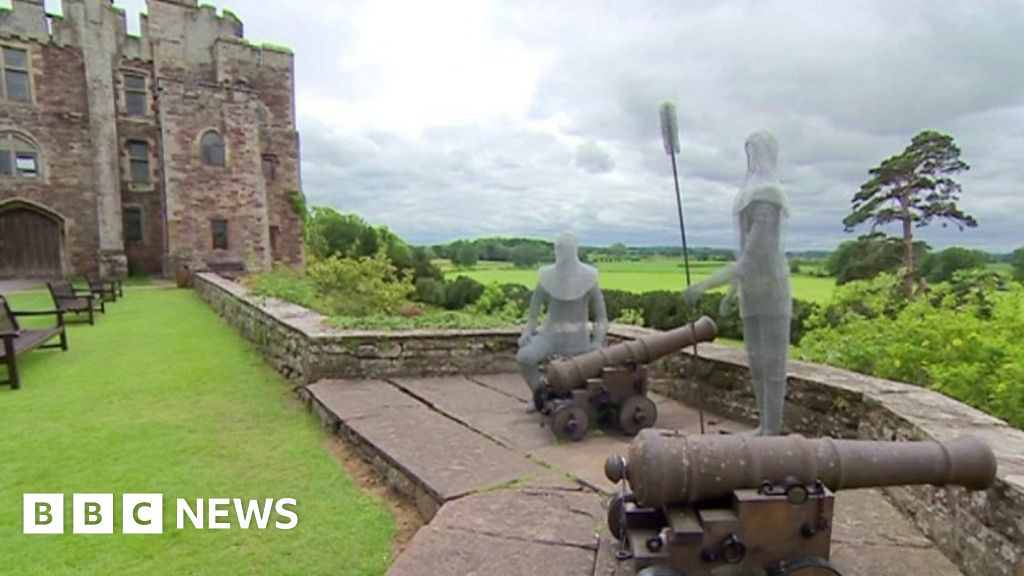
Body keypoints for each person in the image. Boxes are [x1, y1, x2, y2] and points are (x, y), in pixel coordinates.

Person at [684, 131, 791, 435]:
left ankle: (772, 429)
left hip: (772, 293)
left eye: (753, 151)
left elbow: (751, 260)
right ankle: (763, 425)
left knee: (772, 366)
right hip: (750, 294)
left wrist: (703, 286)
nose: (750, 157)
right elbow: (745, 257)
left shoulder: (768, 195)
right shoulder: (748, 195)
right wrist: (732, 292)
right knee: (756, 364)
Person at [517, 232, 608, 411]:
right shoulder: (546, 277)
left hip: (578, 338)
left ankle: (572, 403)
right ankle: (540, 398)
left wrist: (597, 341)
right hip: (549, 335)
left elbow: (602, 317)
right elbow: (533, 316)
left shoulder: (589, 277)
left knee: (580, 373)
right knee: (525, 357)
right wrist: (527, 332)